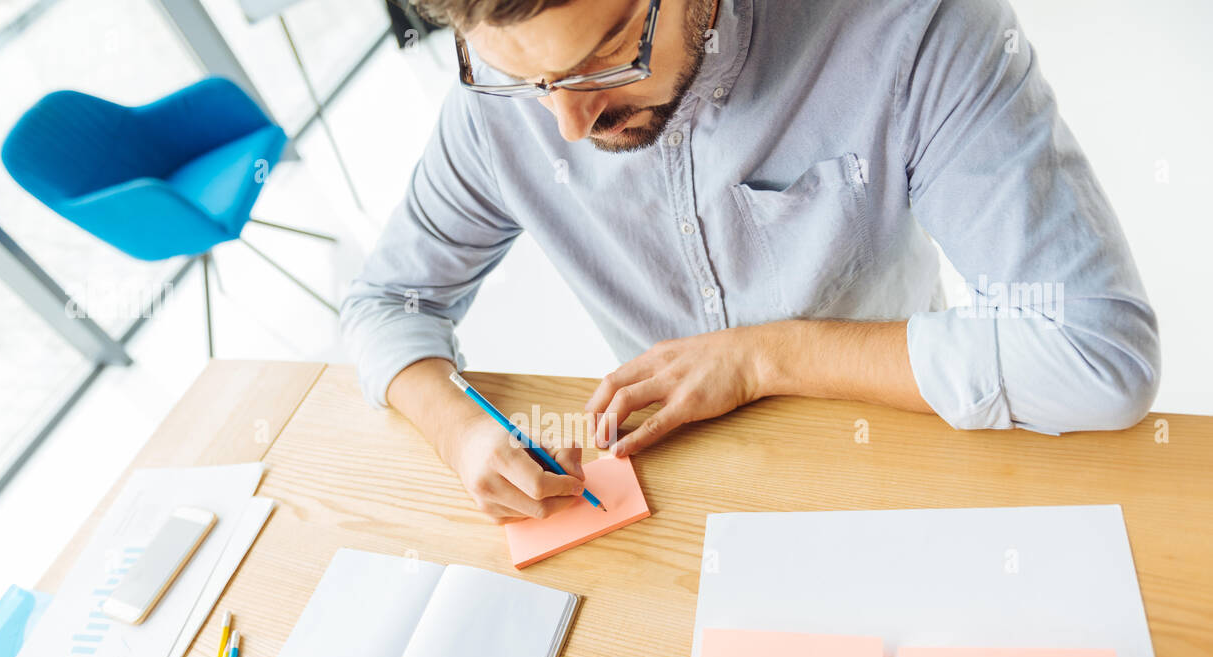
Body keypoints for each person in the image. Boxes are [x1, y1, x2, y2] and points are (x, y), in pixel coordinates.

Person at [342, 0, 1158, 522]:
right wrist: (459, 435)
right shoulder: (500, 104)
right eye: (527, 79)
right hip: (676, 503)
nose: (567, 124)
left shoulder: (917, 29)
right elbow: (387, 303)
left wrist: (766, 355)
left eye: (607, 58)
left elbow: (1096, 353)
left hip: (904, 456)